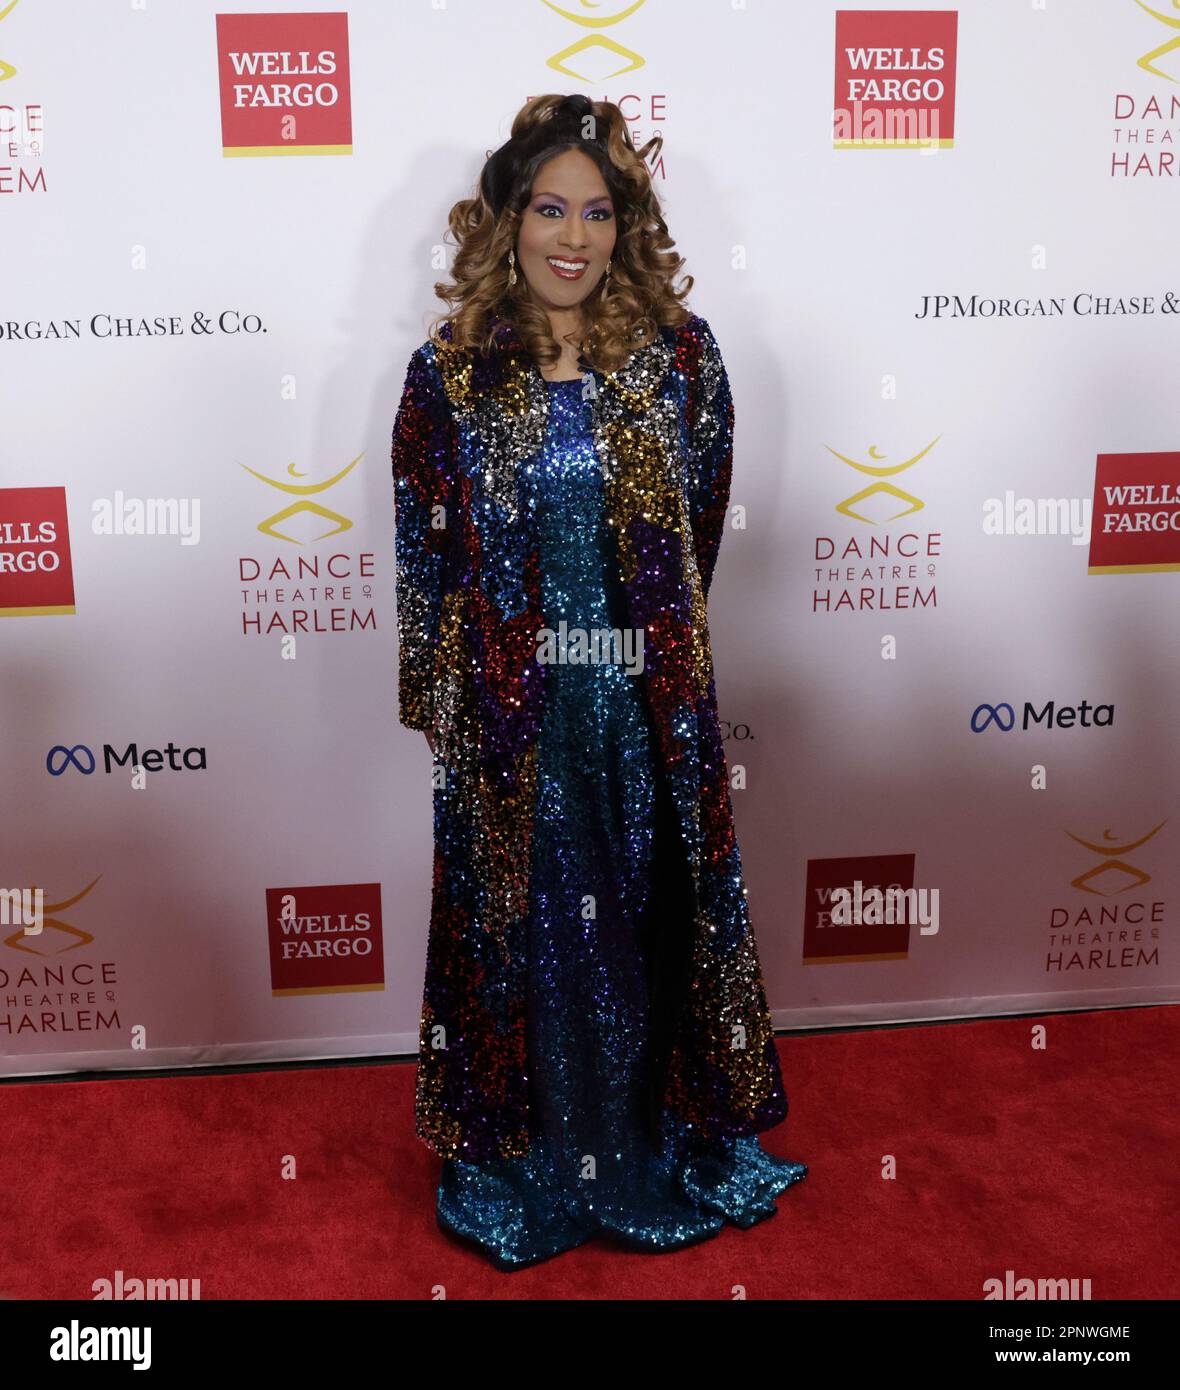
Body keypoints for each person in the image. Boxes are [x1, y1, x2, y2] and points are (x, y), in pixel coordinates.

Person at [391, 93, 806, 1271]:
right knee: (516, 933)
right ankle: (519, 1155)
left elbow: (702, 529)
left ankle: (648, 1137)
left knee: (644, 924)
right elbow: (424, 554)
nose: (570, 235)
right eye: (547, 207)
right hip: (510, 723)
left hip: (638, 709)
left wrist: (655, 672)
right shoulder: (449, 377)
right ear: (507, 218)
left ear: (627, 226)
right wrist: (444, 709)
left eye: (597, 210)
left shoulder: (682, 360)